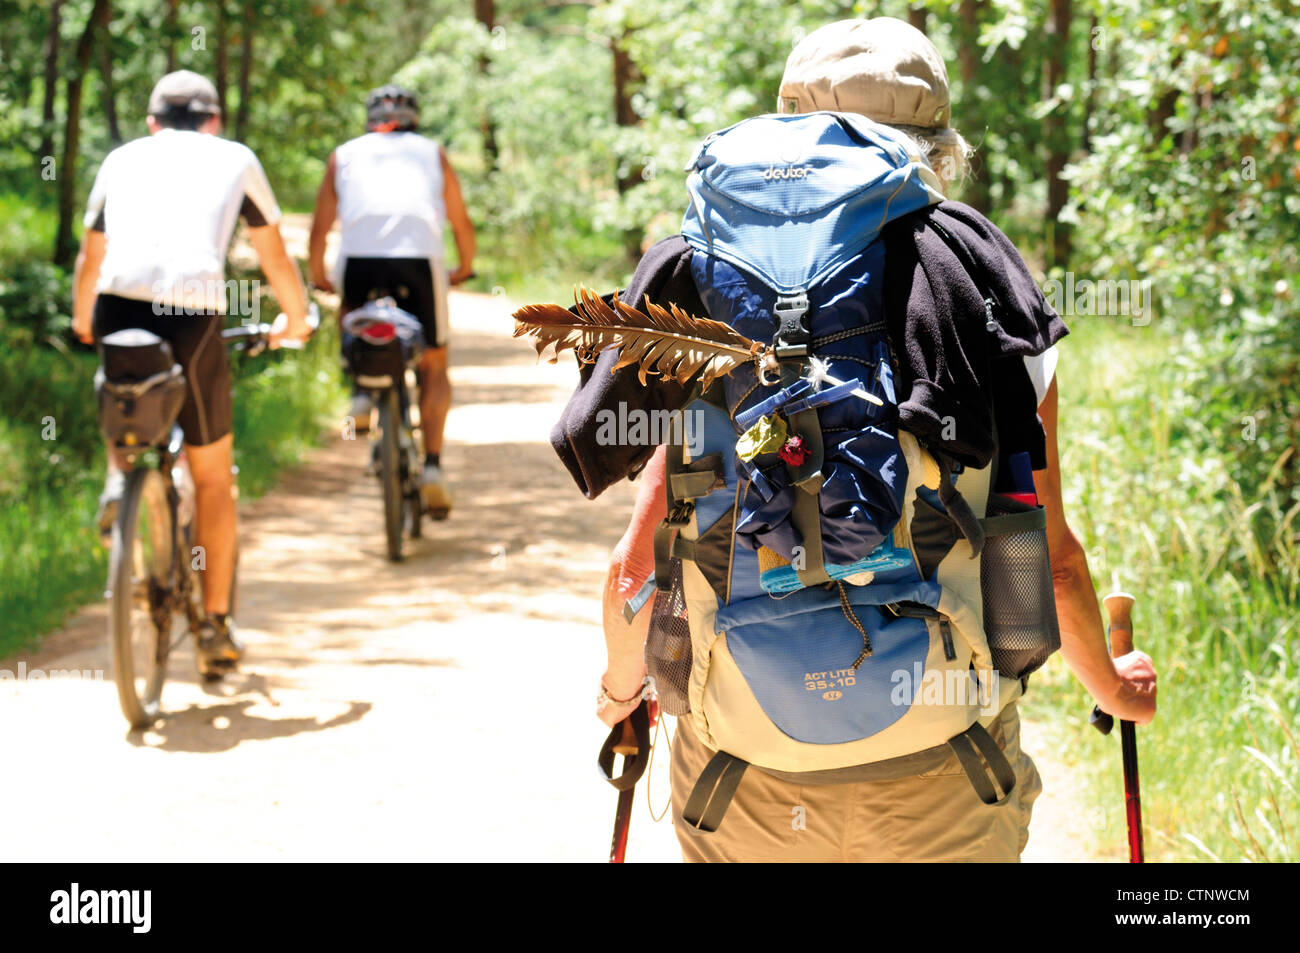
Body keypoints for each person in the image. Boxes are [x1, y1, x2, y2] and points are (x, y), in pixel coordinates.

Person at [567, 18, 1158, 861]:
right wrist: (1114, 687)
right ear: (940, 147)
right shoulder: (980, 283)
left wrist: (623, 691)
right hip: (945, 771)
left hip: (742, 778)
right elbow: (1038, 551)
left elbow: (639, 559)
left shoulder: (706, 284)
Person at [73, 70, 313, 676]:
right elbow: (273, 252)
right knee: (212, 476)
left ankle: (116, 487)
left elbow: (91, 255)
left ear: (152, 121)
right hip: (193, 312)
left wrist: (82, 322)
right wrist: (297, 318)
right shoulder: (236, 158)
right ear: (213, 121)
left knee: (128, 409)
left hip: (116, 305)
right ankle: (213, 625)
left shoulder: (121, 157)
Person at [308, 85, 476, 520]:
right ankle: (434, 468)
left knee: (352, 318)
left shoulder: (343, 154)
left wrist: (318, 276)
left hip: (360, 262)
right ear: (413, 119)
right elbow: (459, 219)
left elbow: (321, 225)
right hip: (419, 261)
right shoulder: (432, 152)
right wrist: (464, 266)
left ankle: (361, 393)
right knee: (434, 363)